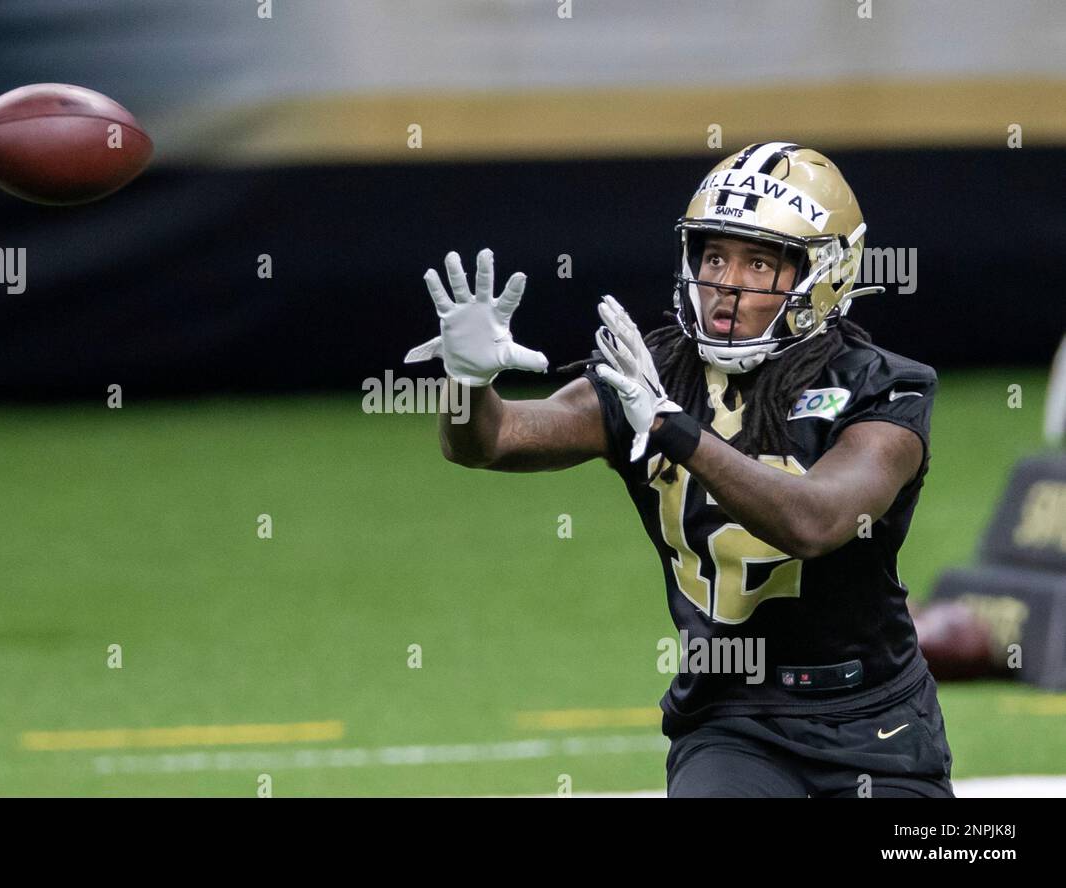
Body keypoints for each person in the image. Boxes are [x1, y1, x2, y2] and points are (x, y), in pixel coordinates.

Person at [406, 142, 953, 797]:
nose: (726, 283)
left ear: (824, 274)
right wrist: (467, 384)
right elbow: (489, 442)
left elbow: (818, 519)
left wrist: (675, 430)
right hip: (733, 719)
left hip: (878, 722)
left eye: (759, 262)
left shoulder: (883, 387)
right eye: (715, 255)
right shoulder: (650, 375)